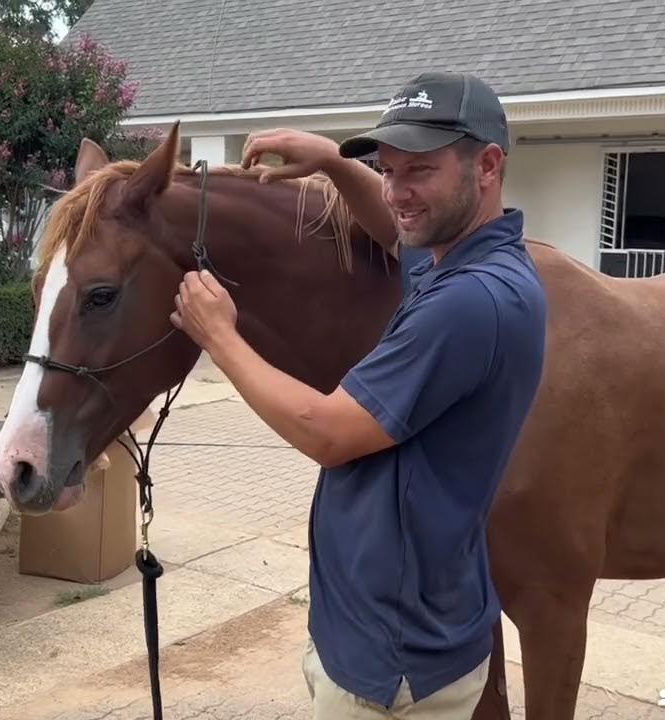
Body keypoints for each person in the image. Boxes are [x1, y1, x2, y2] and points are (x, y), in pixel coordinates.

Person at [170, 71, 548, 719]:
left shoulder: (469, 303)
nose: (397, 191)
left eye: (419, 171)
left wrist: (221, 336)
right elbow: (397, 231)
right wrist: (335, 164)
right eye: (387, 169)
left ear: (486, 166)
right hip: (392, 626)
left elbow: (328, 432)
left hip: (391, 663)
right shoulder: (459, 262)